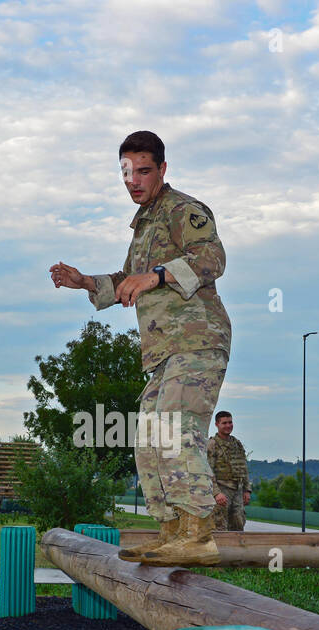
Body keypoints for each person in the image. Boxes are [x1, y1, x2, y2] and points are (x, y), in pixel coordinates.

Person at [49, 131, 230, 566]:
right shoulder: (145, 226)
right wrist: (86, 283)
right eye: (127, 173)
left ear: (162, 170)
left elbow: (212, 258)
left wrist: (155, 276)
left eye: (143, 171)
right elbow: (125, 278)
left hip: (198, 340)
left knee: (173, 429)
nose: (134, 181)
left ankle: (199, 533)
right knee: (147, 439)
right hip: (165, 353)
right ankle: (171, 531)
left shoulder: (183, 210)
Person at [207, 411, 250, 531]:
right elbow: (208, 471)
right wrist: (216, 493)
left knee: (238, 523)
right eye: (224, 423)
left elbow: (244, 467)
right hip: (222, 489)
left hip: (237, 490)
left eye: (230, 422)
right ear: (217, 424)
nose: (228, 425)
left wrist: (247, 490)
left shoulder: (237, 444)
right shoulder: (212, 445)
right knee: (219, 526)